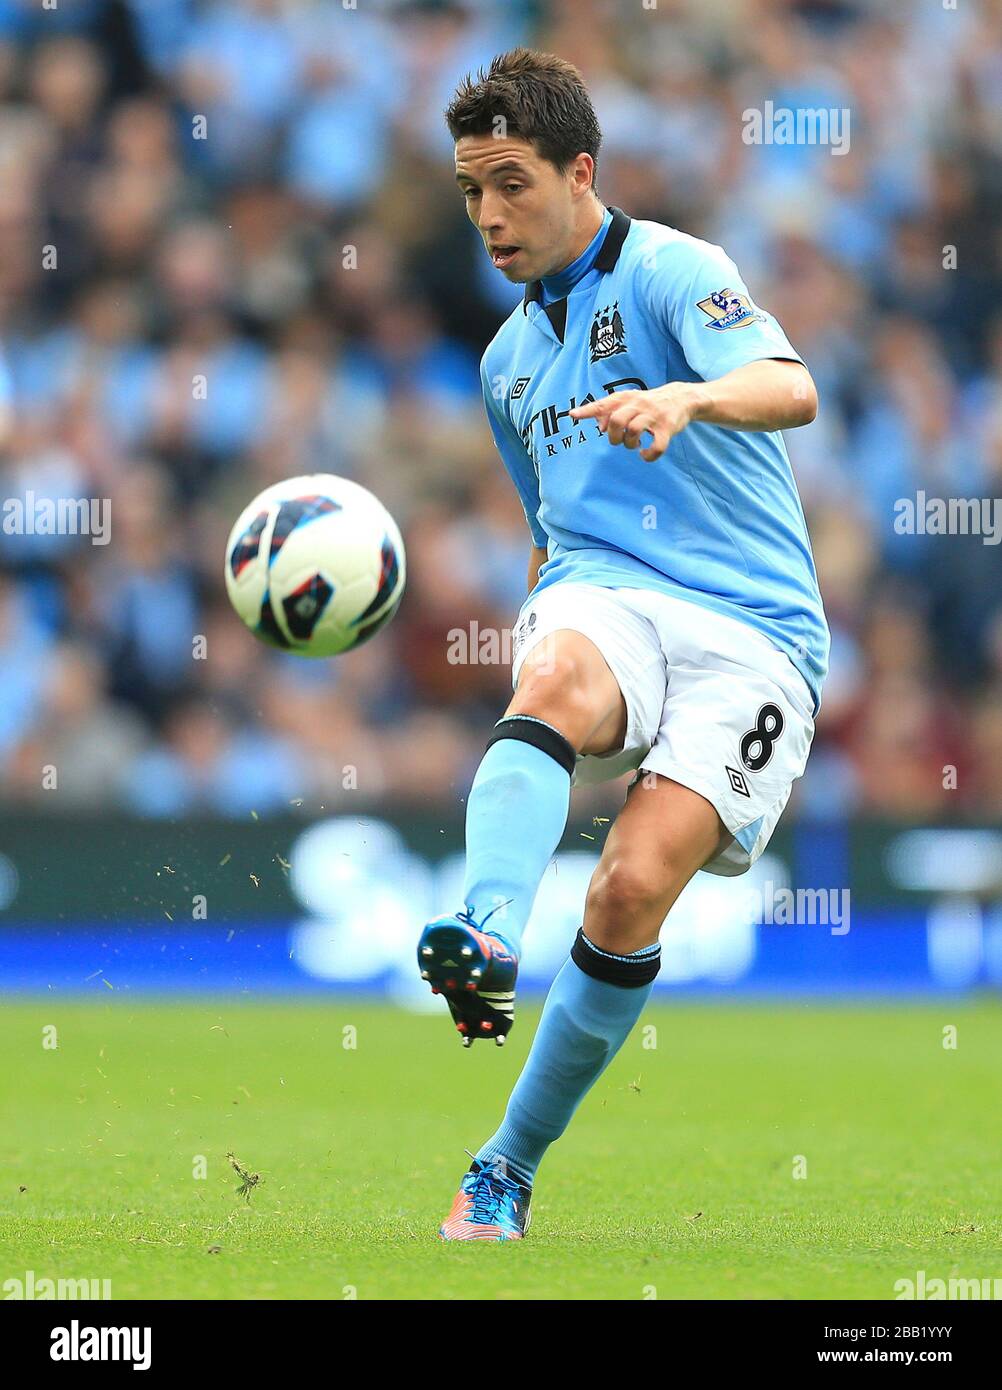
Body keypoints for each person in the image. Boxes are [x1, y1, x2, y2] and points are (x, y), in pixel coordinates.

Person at [418, 48, 829, 1242]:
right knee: (553, 672)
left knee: (631, 887)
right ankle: (487, 930)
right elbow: (549, 533)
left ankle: (507, 1162)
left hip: (756, 632)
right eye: (471, 190)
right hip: (608, 592)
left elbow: (791, 386)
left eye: (511, 183)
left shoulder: (670, 269)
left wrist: (686, 397)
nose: (490, 215)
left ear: (580, 171)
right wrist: (541, 629)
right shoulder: (504, 367)